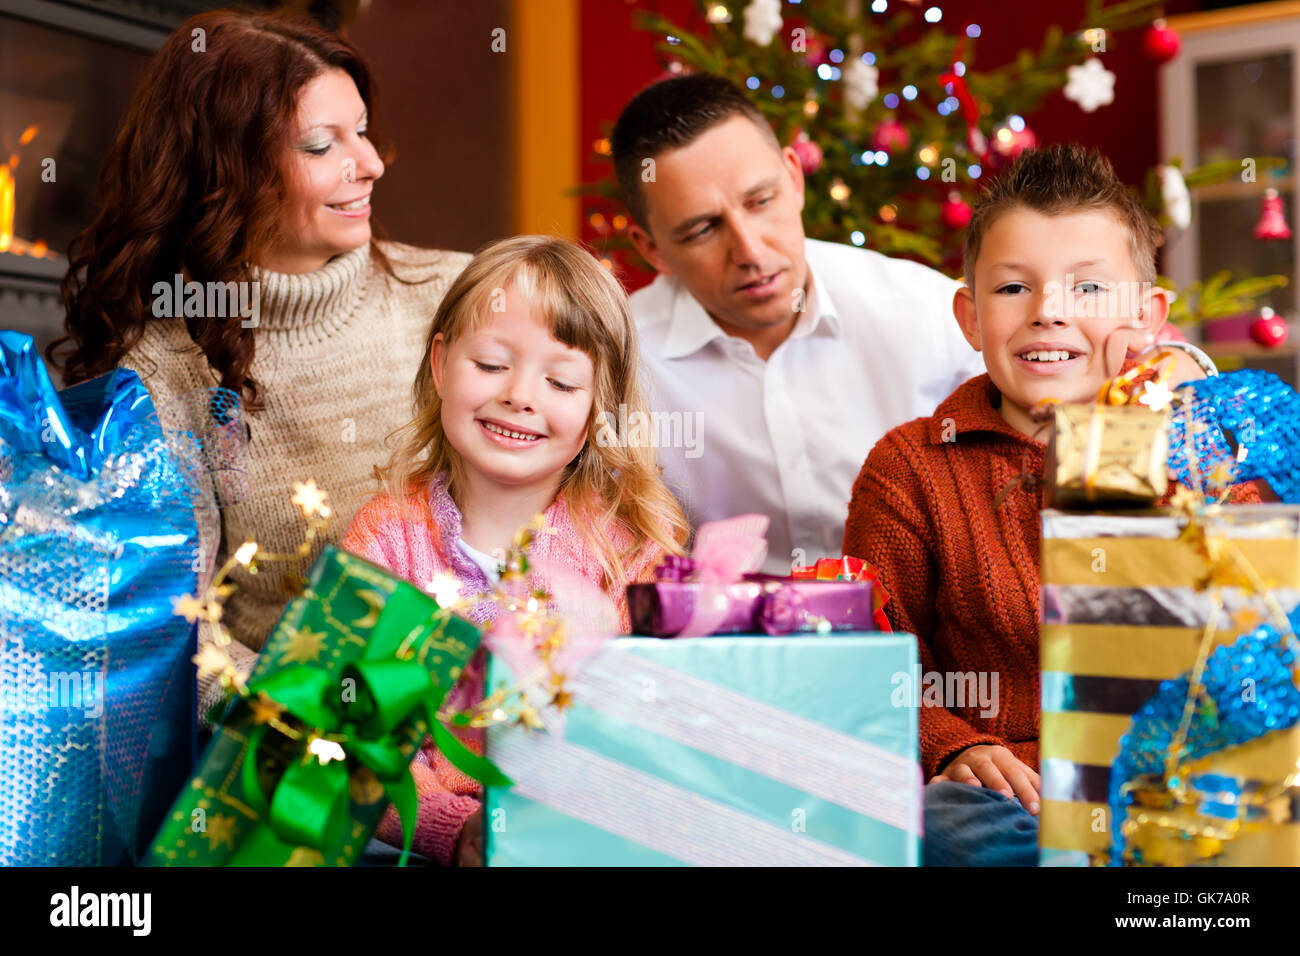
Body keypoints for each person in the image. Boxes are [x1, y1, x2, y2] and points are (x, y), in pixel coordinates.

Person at [842, 143, 1257, 866]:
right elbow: (870, 657)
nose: (1049, 313)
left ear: (1147, 317)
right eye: (1014, 288)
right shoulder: (910, 467)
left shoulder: (1197, 449)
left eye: (1088, 288)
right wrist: (951, 745)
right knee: (938, 819)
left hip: (1176, 777)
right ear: (971, 318)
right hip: (1015, 796)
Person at [49, 11, 470, 720]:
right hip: (316, 752)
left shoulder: (459, 295)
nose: (370, 164)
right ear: (226, 172)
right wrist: (318, 727)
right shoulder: (160, 371)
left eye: (363, 131)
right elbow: (172, 627)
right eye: (321, 145)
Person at [341, 234, 689, 865]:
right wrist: (453, 829)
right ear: (441, 364)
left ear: (600, 406)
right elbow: (358, 740)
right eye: (491, 365)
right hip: (421, 845)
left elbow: (649, 731)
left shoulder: (629, 549)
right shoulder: (386, 537)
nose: (521, 395)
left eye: (560, 381)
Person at [612, 74, 986, 572]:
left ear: (794, 178)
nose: (750, 251)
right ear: (652, 249)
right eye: (703, 229)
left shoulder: (931, 314)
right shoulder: (615, 363)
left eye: (760, 201)